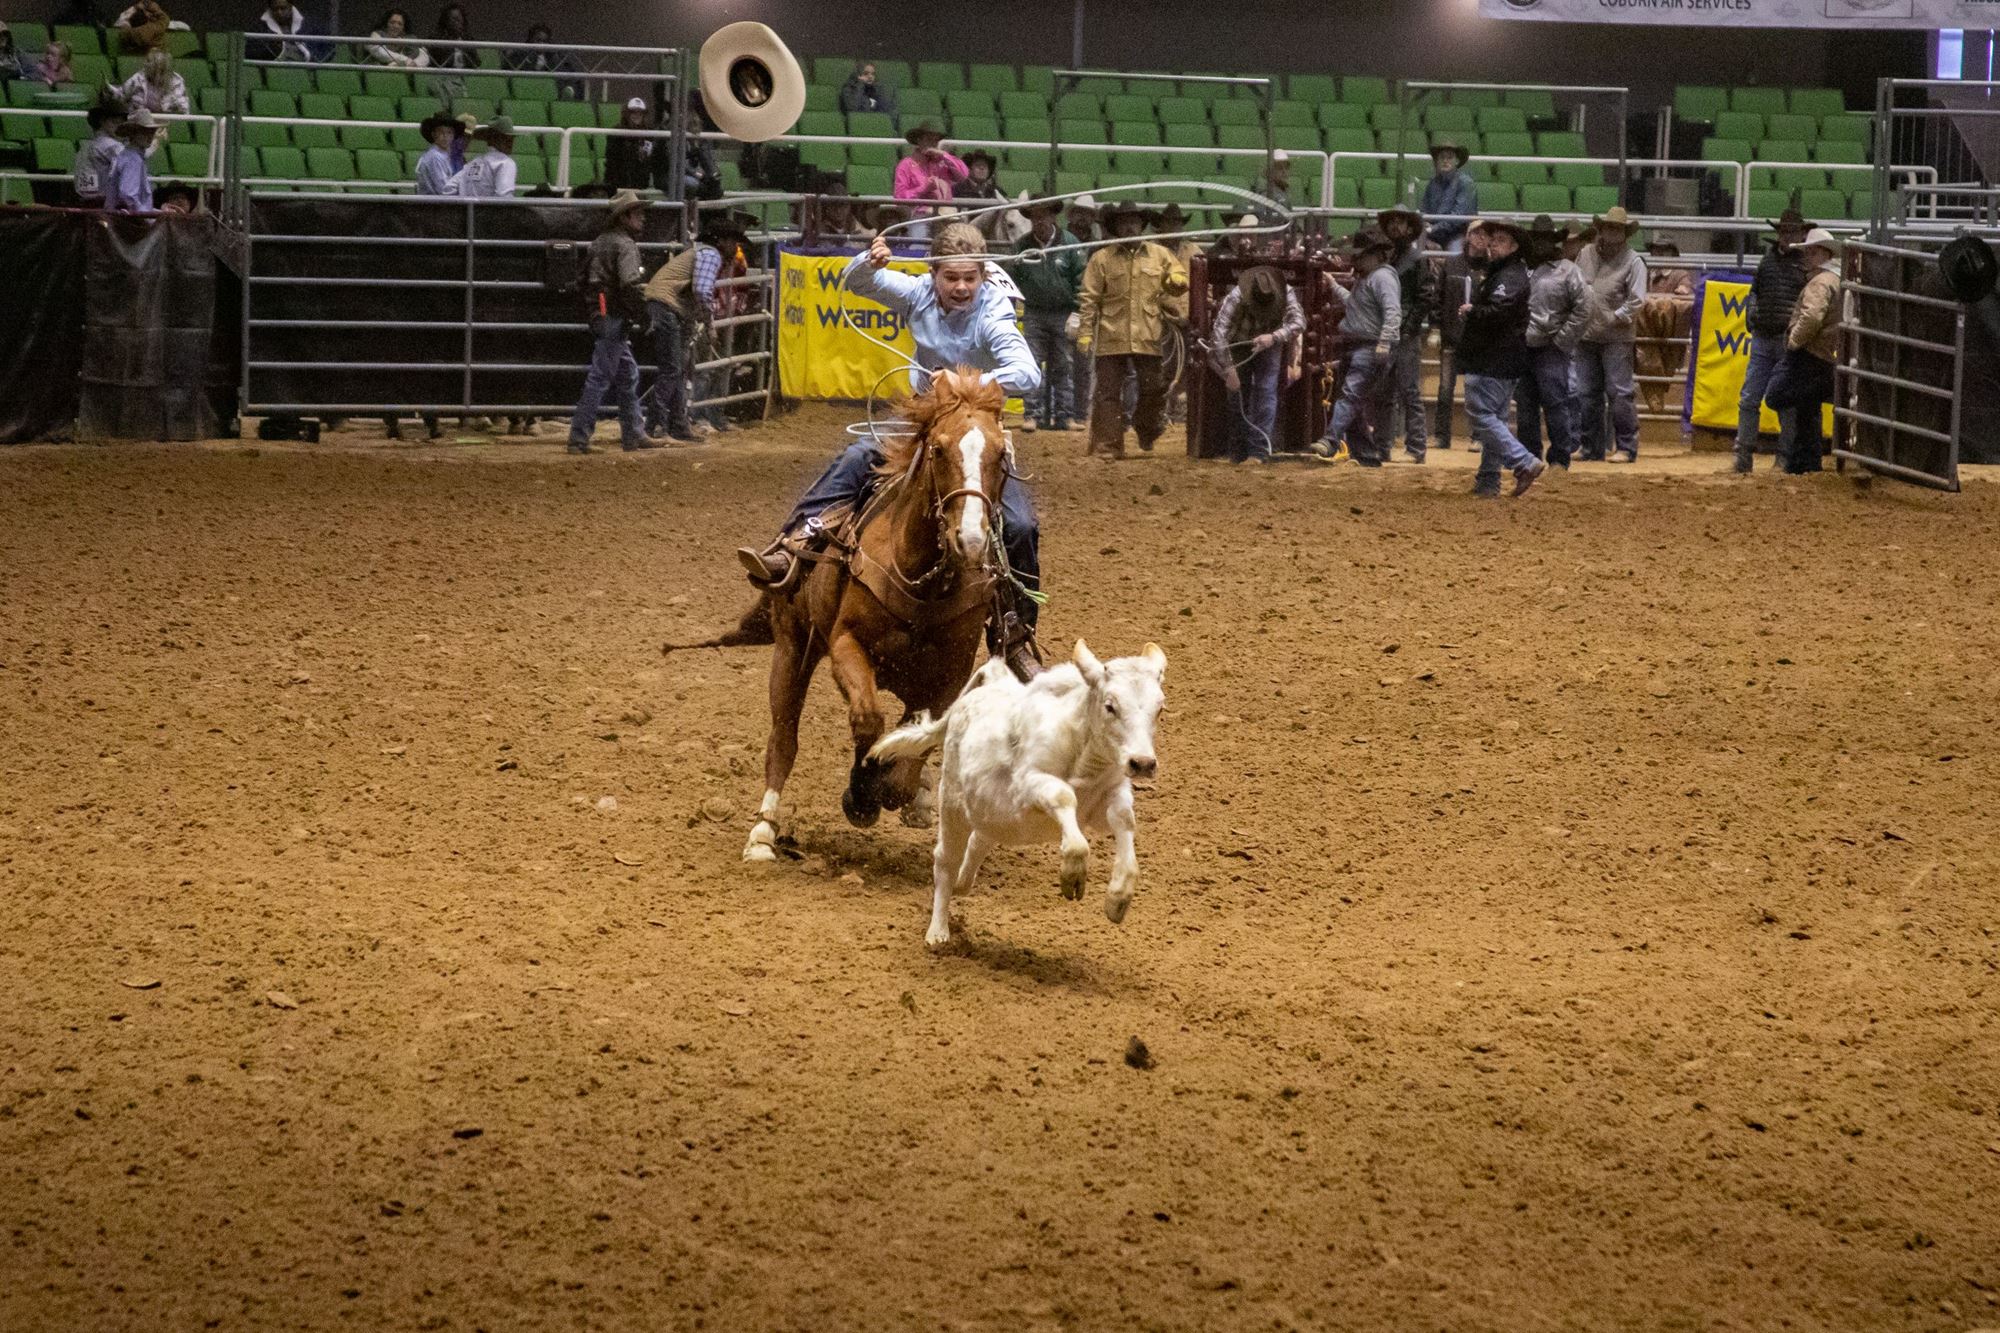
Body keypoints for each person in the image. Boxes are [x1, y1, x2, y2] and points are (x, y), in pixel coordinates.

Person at [735, 221, 1045, 677]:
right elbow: (856, 281)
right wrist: (869, 259)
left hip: (976, 427)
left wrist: (966, 383)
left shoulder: (993, 311)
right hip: (924, 420)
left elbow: (1028, 372)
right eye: (951, 277)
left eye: (970, 278)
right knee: (858, 457)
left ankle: (1014, 636)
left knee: (1020, 524)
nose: (961, 287)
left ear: (983, 276)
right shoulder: (916, 292)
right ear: (933, 273)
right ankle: (796, 541)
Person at [1077, 202, 1189, 460]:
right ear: (1116, 227)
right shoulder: (1101, 259)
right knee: (1108, 393)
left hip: (1148, 334)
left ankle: (1147, 429)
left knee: (1154, 387)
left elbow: (1178, 280)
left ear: (1142, 225)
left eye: (1134, 222)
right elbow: (1089, 298)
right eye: (1124, 222)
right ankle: (1108, 444)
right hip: (1110, 333)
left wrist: (1177, 281)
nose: (1129, 226)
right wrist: (1085, 331)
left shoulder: (1160, 255)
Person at [567, 191, 667, 455]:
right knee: (601, 375)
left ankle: (633, 431)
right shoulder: (625, 245)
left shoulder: (601, 241)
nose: (643, 218)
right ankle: (579, 436)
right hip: (613, 313)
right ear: (625, 217)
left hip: (599, 311)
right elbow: (630, 284)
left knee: (626, 373)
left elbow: (584, 278)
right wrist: (644, 314)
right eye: (639, 213)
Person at [1455, 219, 1546, 497]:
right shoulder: (1510, 273)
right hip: (1504, 357)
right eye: (1492, 239)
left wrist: (1473, 312)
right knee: (1495, 417)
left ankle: (1523, 461)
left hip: (1493, 357)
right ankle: (1488, 480)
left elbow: (1498, 311)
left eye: (1500, 240)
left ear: (1514, 246)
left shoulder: (1509, 276)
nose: (1493, 244)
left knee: (1482, 416)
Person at [642, 211, 745, 442]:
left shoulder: (700, 252)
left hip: (665, 305)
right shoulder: (710, 254)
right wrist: (709, 324)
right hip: (667, 306)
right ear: (720, 241)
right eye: (732, 241)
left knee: (677, 369)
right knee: (672, 369)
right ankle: (652, 426)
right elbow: (701, 289)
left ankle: (677, 425)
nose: (735, 247)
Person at [1310, 229, 1401, 465]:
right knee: (1352, 400)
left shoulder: (1382, 278)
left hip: (1369, 345)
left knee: (1350, 396)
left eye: (1360, 256)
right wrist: (1334, 286)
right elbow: (1355, 305)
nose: (1355, 260)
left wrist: (1384, 342)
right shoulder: (1371, 278)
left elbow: (1393, 312)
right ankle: (1368, 456)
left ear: (1376, 255)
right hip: (1361, 344)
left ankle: (1331, 440)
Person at [1734, 207, 1811, 474]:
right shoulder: (1769, 262)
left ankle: (1782, 458)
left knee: (1783, 402)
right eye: (1784, 231)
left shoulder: (1803, 264)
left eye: (1791, 231)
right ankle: (1744, 457)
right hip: (1765, 337)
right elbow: (1755, 291)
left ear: (1801, 233)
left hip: (1785, 340)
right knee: (1750, 398)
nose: (1786, 236)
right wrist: (1752, 315)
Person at [1762, 227, 1842, 475]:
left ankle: (1801, 460)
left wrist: (1794, 341)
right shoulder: (1834, 281)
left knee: (1778, 395)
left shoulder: (1820, 283)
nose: (1806, 255)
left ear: (1822, 253)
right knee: (1808, 409)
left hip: (1809, 354)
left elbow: (1811, 317)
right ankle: (1806, 462)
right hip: (1823, 354)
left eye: (1810, 251)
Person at [1514, 215, 1590, 469]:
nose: (1540, 245)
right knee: (1526, 407)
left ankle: (1559, 457)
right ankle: (1529, 457)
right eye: (1536, 240)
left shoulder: (1569, 271)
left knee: (1555, 403)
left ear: (1553, 242)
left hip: (1550, 346)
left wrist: (1562, 341)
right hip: (1523, 346)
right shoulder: (1521, 268)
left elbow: (1584, 309)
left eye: (1544, 240)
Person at [1574, 205, 1648, 463]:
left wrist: (1614, 318)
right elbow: (1575, 285)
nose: (1612, 232)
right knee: (1586, 392)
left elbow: (1637, 300)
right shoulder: (1584, 254)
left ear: (1625, 233)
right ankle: (1590, 446)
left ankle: (1626, 446)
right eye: (1609, 227)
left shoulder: (1634, 261)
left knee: (1619, 391)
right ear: (1601, 229)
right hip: (1586, 335)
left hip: (1617, 337)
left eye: (1617, 228)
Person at [1210, 266, 1305, 465]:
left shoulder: (1285, 292)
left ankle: (1259, 452)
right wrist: (1229, 369)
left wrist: (1274, 337)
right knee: (1237, 394)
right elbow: (1219, 333)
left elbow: (1299, 322)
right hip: (1239, 343)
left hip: (1270, 341)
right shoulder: (1236, 297)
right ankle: (1239, 452)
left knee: (1266, 392)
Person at [1008, 197, 1083, 434]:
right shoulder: (1021, 246)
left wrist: (1077, 311)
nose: (1039, 220)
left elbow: (1080, 280)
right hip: (1034, 312)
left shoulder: (1070, 244)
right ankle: (1032, 414)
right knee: (1031, 364)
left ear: (1053, 216)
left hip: (1063, 312)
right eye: (1035, 216)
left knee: (1063, 365)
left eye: (1044, 215)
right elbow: (1013, 279)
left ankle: (1065, 415)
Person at [1376, 203, 1436, 463]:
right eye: (1392, 222)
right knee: (1386, 392)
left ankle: (1416, 447)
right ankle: (1384, 445)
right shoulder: (1392, 258)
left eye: (1400, 222)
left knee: (1408, 391)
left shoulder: (1416, 259)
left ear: (1410, 228)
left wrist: (1410, 327)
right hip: (1390, 331)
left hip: (1405, 333)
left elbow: (1425, 297)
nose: (1395, 226)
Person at [1432, 222, 1485, 449]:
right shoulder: (1451, 264)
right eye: (1476, 233)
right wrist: (1435, 328)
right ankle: (1441, 435)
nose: (1480, 238)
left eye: (1485, 234)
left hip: (1478, 339)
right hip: (1451, 336)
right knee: (1445, 389)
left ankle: (1478, 436)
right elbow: (1438, 298)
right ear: (1467, 235)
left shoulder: (1491, 269)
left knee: (1476, 391)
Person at [893, 123, 966, 234]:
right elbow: (899, 197)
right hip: (920, 216)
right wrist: (923, 189)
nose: (932, 144)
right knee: (919, 243)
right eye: (928, 139)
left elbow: (963, 175)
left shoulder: (943, 162)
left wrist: (944, 155)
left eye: (935, 141)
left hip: (946, 216)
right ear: (919, 140)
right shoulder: (906, 165)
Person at [1420, 140, 1478, 253]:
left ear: (1456, 161)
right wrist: (1425, 225)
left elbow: (1458, 217)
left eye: (1450, 157)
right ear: (1437, 161)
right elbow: (1424, 210)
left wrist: (1433, 228)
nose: (1445, 161)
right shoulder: (1432, 183)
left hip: (1459, 234)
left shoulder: (1466, 183)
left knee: (1454, 258)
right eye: (1442, 157)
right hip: (1434, 233)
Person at [503, 22, 582, 97]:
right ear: (530, 40)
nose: (541, 44)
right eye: (538, 40)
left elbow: (567, 76)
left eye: (545, 41)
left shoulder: (554, 58)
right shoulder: (518, 56)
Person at [105, 107, 158, 213]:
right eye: (144, 132)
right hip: (131, 221)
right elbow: (128, 195)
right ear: (133, 134)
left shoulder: (128, 155)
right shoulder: (133, 159)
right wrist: (146, 217)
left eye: (152, 132)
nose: (150, 136)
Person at [74, 100, 126, 207]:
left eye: (122, 123)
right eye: (115, 122)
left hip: (84, 203)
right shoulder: (113, 146)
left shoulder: (84, 147)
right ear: (103, 122)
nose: (120, 127)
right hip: (107, 205)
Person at [451, 117, 519, 198]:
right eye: (506, 139)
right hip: (490, 210)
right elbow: (504, 196)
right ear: (494, 139)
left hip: (468, 209)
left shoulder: (473, 163)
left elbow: (449, 188)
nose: (510, 143)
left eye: (510, 139)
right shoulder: (505, 163)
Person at [119, 49, 189, 121]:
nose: (144, 64)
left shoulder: (176, 81)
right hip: (138, 123)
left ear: (159, 66)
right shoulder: (138, 78)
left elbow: (183, 111)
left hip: (166, 124)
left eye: (149, 61)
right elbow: (121, 97)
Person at [952, 149, 1008, 237]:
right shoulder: (957, 190)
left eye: (985, 166)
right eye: (978, 165)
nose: (982, 168)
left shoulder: (998, 191)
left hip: (991, 236)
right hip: (964, 234)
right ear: (969, 169)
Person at [604, 98, 656, 191]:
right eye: (633, 112)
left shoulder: (649, 133)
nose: (637, 115)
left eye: (640, 113)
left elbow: (649, 158)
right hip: (618, 182)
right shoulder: (616, 132)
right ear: (627, 114)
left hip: (641, 183)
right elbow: (612, 160)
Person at [252, 0, 328, 62]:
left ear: (291, 7)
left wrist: (313, 57)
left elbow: (328, 47)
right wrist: (273, 49)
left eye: (283, 8)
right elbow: (250, 52)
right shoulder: (260, 27)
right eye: (275, 9)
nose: (279, 12)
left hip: (305, 67)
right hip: (275, 68)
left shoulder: (309, 24)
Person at [412, 111, 458, 194]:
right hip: (433, 204)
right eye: (441, 132)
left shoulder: (441, 155)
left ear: (453, 135)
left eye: (449, 132)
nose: (445, 136)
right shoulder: (435, 157)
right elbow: (444, 189)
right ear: (433, 134)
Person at [429, 3, 475, 70]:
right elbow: (436, 62)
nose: (458, 22)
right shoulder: (436, 38)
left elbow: (476, 62)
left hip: (464, 75)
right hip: (443, 76)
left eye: (460, 18)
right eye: (454, 19)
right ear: (446, 21)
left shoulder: (467, 38)